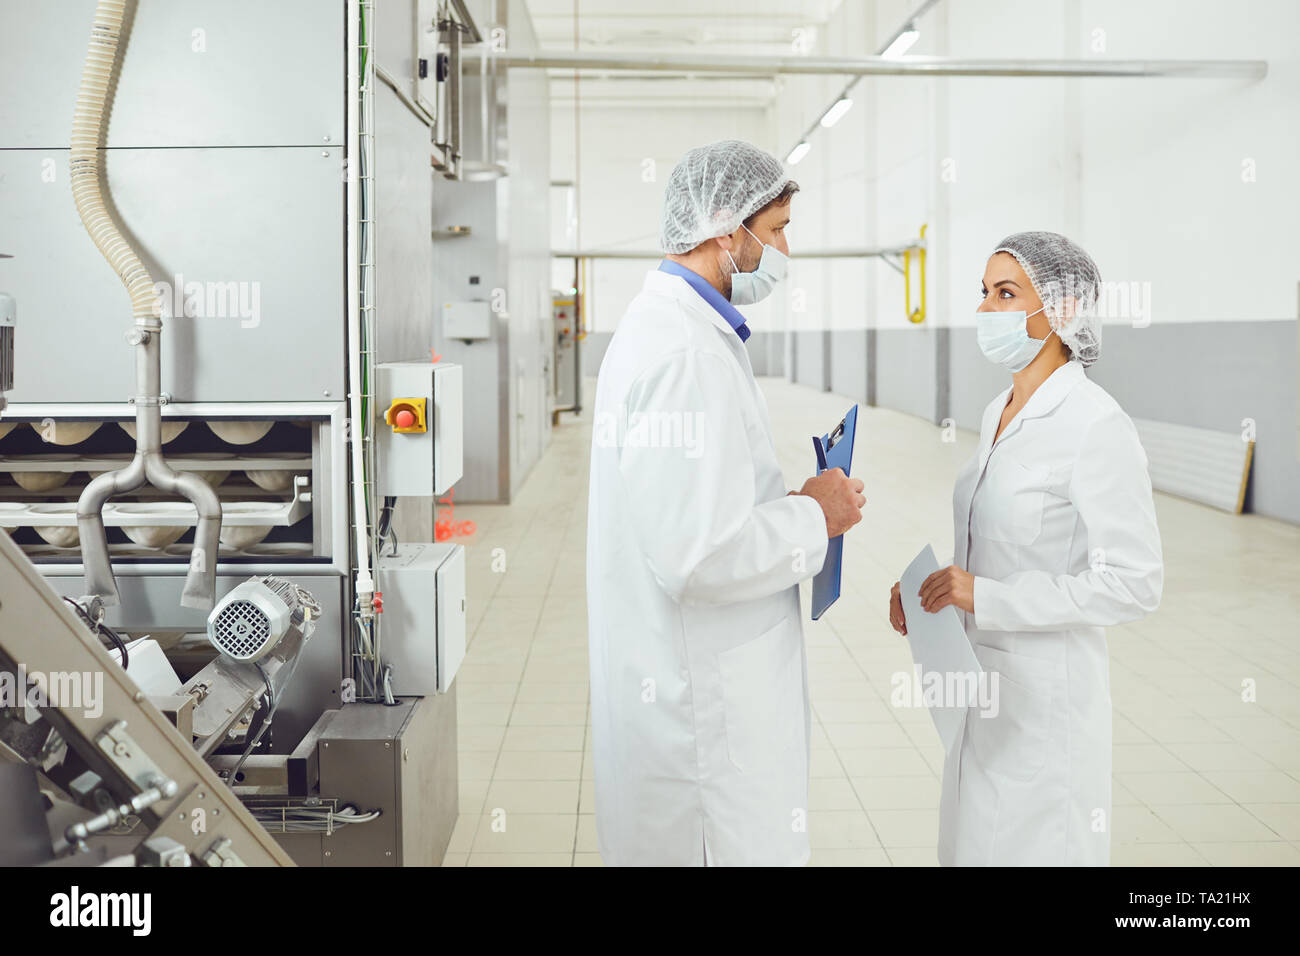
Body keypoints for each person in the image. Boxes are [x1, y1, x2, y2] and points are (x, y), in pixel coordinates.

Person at [586, 140, 865, 866]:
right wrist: (817, 515)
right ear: (723, 229)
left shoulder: (683, 334)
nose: (783, 251)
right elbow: (699, 557)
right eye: (774, 231)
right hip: (702, 718)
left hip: (694, 689)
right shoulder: (685, 356)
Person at [888, 231, 1163, 866]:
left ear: (1064, 311)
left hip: (1045, 709)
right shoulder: (998, 411)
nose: (986, 309)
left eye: (1006, 293)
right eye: (984, 293)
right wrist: (933, 597)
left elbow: (1134, 582)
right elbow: (989, 548)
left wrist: (985, 595)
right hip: (976, 689)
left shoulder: (1096, 425)